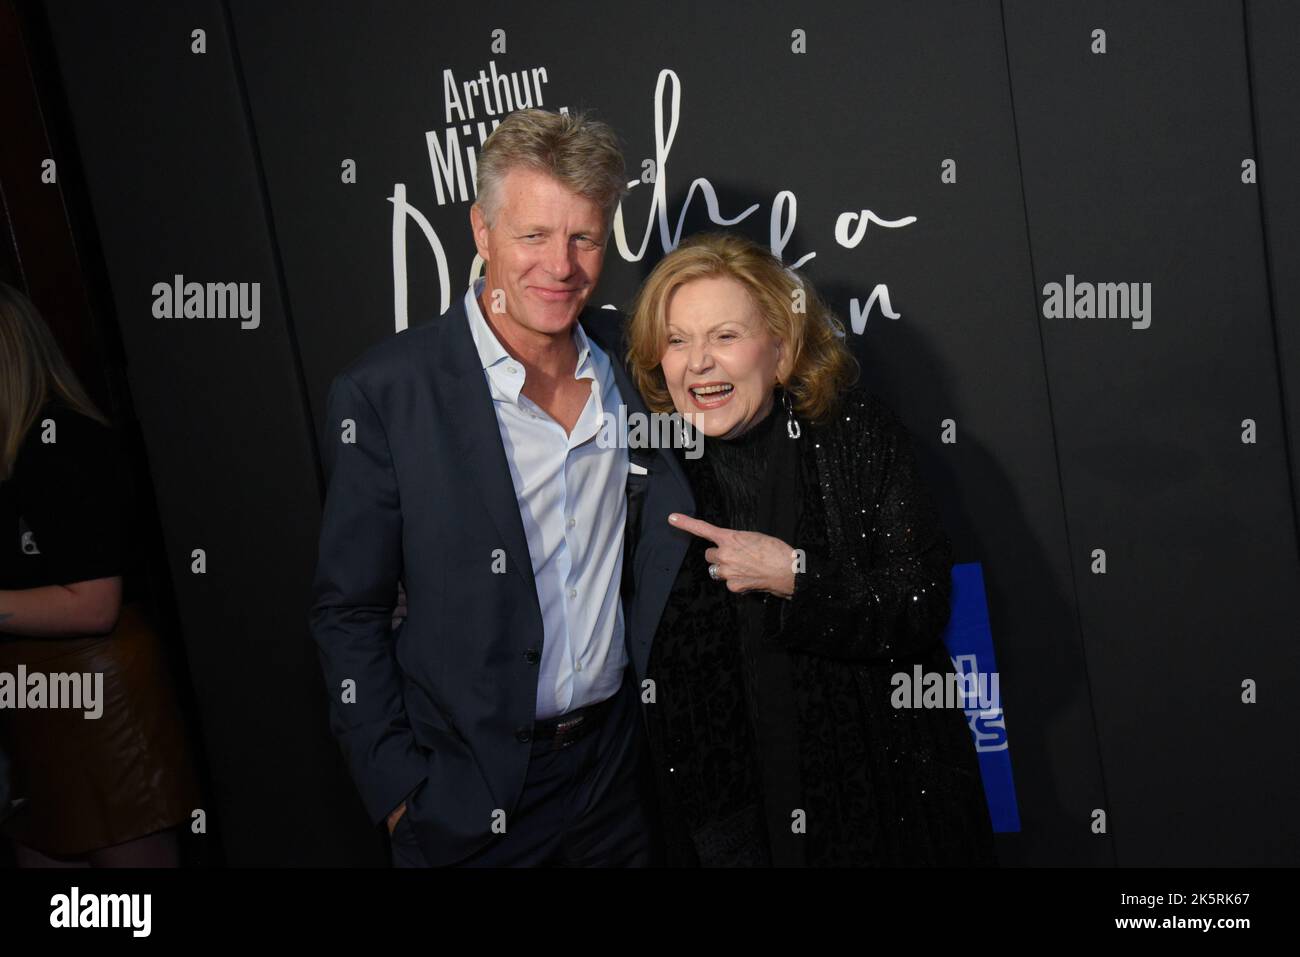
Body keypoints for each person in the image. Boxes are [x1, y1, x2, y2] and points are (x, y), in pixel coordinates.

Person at [309, 108, 692, 866]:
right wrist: (397, 796)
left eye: (584, 236)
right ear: (482, 233)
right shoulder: (388, 393)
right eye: (533, 236)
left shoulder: (637, 362)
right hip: (466, 795)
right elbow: (348, 610)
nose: (561, 266)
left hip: (616, 778)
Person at [623, 232, 997, 866]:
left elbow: (921, 598)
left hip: (876, 804)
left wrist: (796, 576)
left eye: (724, 336)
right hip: (729, 828)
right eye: (677, 340)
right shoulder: (655, 471)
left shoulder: (854, 435)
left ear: (780, 343)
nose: (698, 363)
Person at [0, 281, 200, 867]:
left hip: (99, 698)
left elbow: (93, 603)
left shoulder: (64, 444)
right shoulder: (13, 455)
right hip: (34, 705)